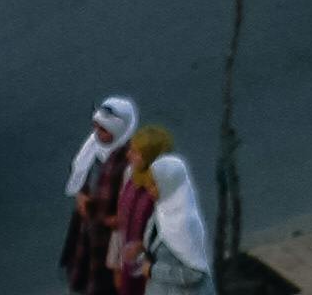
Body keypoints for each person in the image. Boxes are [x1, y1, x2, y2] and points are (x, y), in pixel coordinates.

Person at [64, 97, 137, 295]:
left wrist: (116, 219)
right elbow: (81, 173)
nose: (97, 133)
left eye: (103, 130)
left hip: (111, 230)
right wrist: (81, 195)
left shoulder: (131, 158)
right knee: (87, 266)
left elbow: (135, 197)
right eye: (96, 127)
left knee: (108, 281)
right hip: (90, 221)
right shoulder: (94, 146)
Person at [109, 131, 173, 295]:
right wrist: (117, 260)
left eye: (135, 152)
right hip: (130, 262)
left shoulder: (165, 186)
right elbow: (122, 218)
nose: (128, 155)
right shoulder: (131, 175)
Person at [143, 155, 210, 295]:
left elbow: (195, 273)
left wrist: (153, 270)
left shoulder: (186, 222)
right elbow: (153, 251)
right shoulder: (159, 214)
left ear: (169, 184)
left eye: (154, 184)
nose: (149, 188)